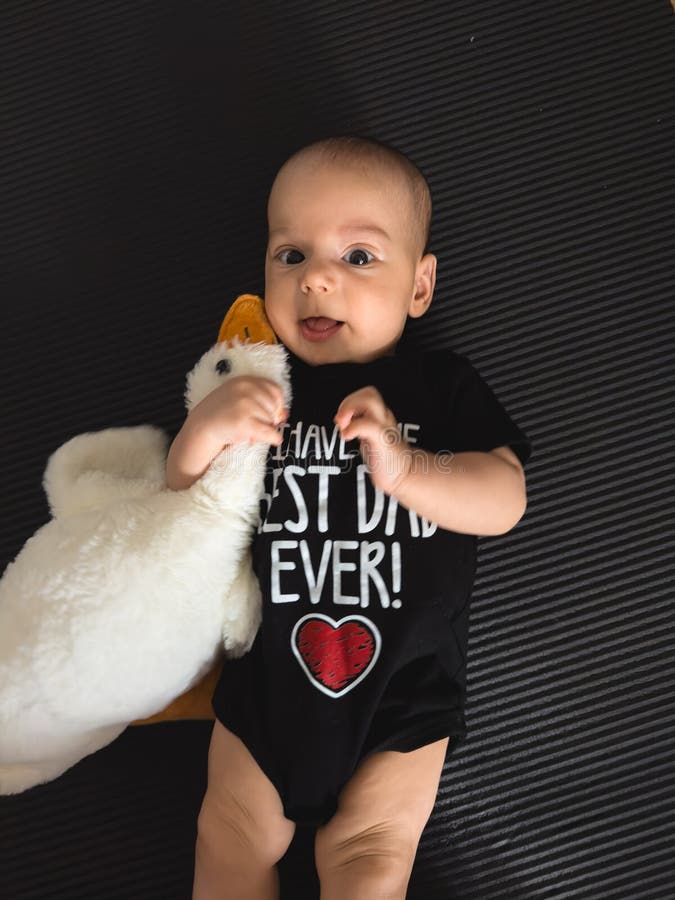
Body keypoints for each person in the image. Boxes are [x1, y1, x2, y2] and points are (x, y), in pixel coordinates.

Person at [166, 134, 532, 900]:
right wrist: (204, 428)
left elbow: (504, 499)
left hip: (402, 693)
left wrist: (408, 467)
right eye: (289, 255)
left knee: (369, 857)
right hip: (266, 678)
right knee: (228, 834)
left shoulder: (438, 386)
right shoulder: (256, 381)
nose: (316, 278)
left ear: (419, 287)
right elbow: (182, 505)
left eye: (358, 256)